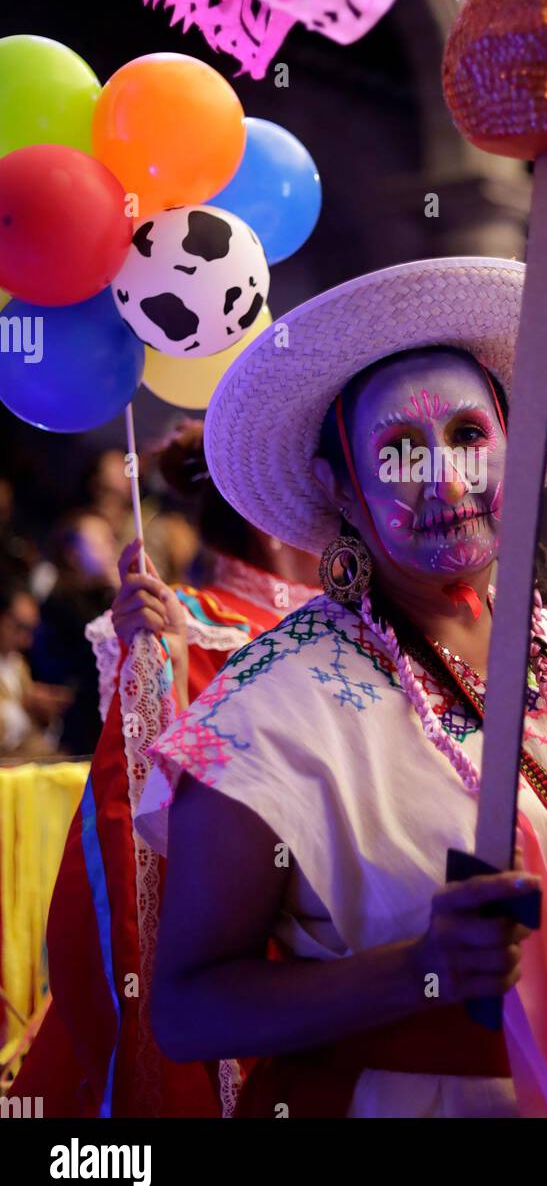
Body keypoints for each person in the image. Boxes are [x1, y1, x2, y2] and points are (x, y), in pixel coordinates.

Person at [133, 257, 547, 1120]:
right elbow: (185, 1011)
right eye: (398, 450)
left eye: (470, 434)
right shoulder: (266, 712)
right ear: (339, 492)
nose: (444, 480)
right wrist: (417, 970)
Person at [9, 421, 320, 1117]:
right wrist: (164, 672)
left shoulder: (355, 624)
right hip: (262, 956)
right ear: (273, 516)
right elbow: (140, 826)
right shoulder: (190, 621)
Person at [29, 511, 119, 755]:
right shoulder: (58, 604)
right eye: (101, 542)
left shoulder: (103, 596)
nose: (112, 548)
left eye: (112, 539)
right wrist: (120, 595)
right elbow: (95, 658)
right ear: (73, 554)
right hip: (79, 728)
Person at [0, 585, 71, 757]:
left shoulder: (18, 664)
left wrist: (44, 713)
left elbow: (36, 736)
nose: (27, 641)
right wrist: (26, 704)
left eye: (31, 630)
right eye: (19, 627)